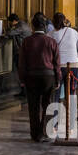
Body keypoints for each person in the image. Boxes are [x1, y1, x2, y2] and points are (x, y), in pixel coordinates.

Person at [17, 12, 60, 141]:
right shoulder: (51, 41)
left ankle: (35, 134)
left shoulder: (26, 41)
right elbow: (56, 63)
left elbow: (22, 63)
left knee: (33, 106)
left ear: (33, 27)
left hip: (31, 76)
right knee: (48, 105)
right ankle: (45, 132)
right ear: (45, 27)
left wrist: (22, 79)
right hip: (48, 76)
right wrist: (58, 79)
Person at [49, 12, 78, 107]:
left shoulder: (51, 34)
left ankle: (55, 119)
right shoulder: (74, 32)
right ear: (64, 21)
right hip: (74, 66)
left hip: (59, 66)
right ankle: (71, 117)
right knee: (72, 92)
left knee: (56, 93)